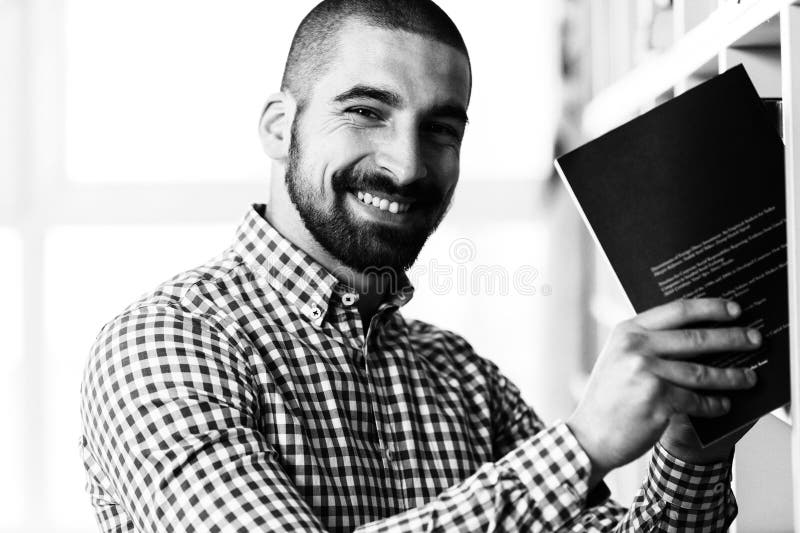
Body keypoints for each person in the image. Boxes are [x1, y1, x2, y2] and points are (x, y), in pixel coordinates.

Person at [79, 1, 761, 531]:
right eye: (367, 111)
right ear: (278, 127)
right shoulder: (160, 345)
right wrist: (580, 444)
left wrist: (692, 450)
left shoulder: (461, 376)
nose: (406, 164)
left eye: (441, 129)